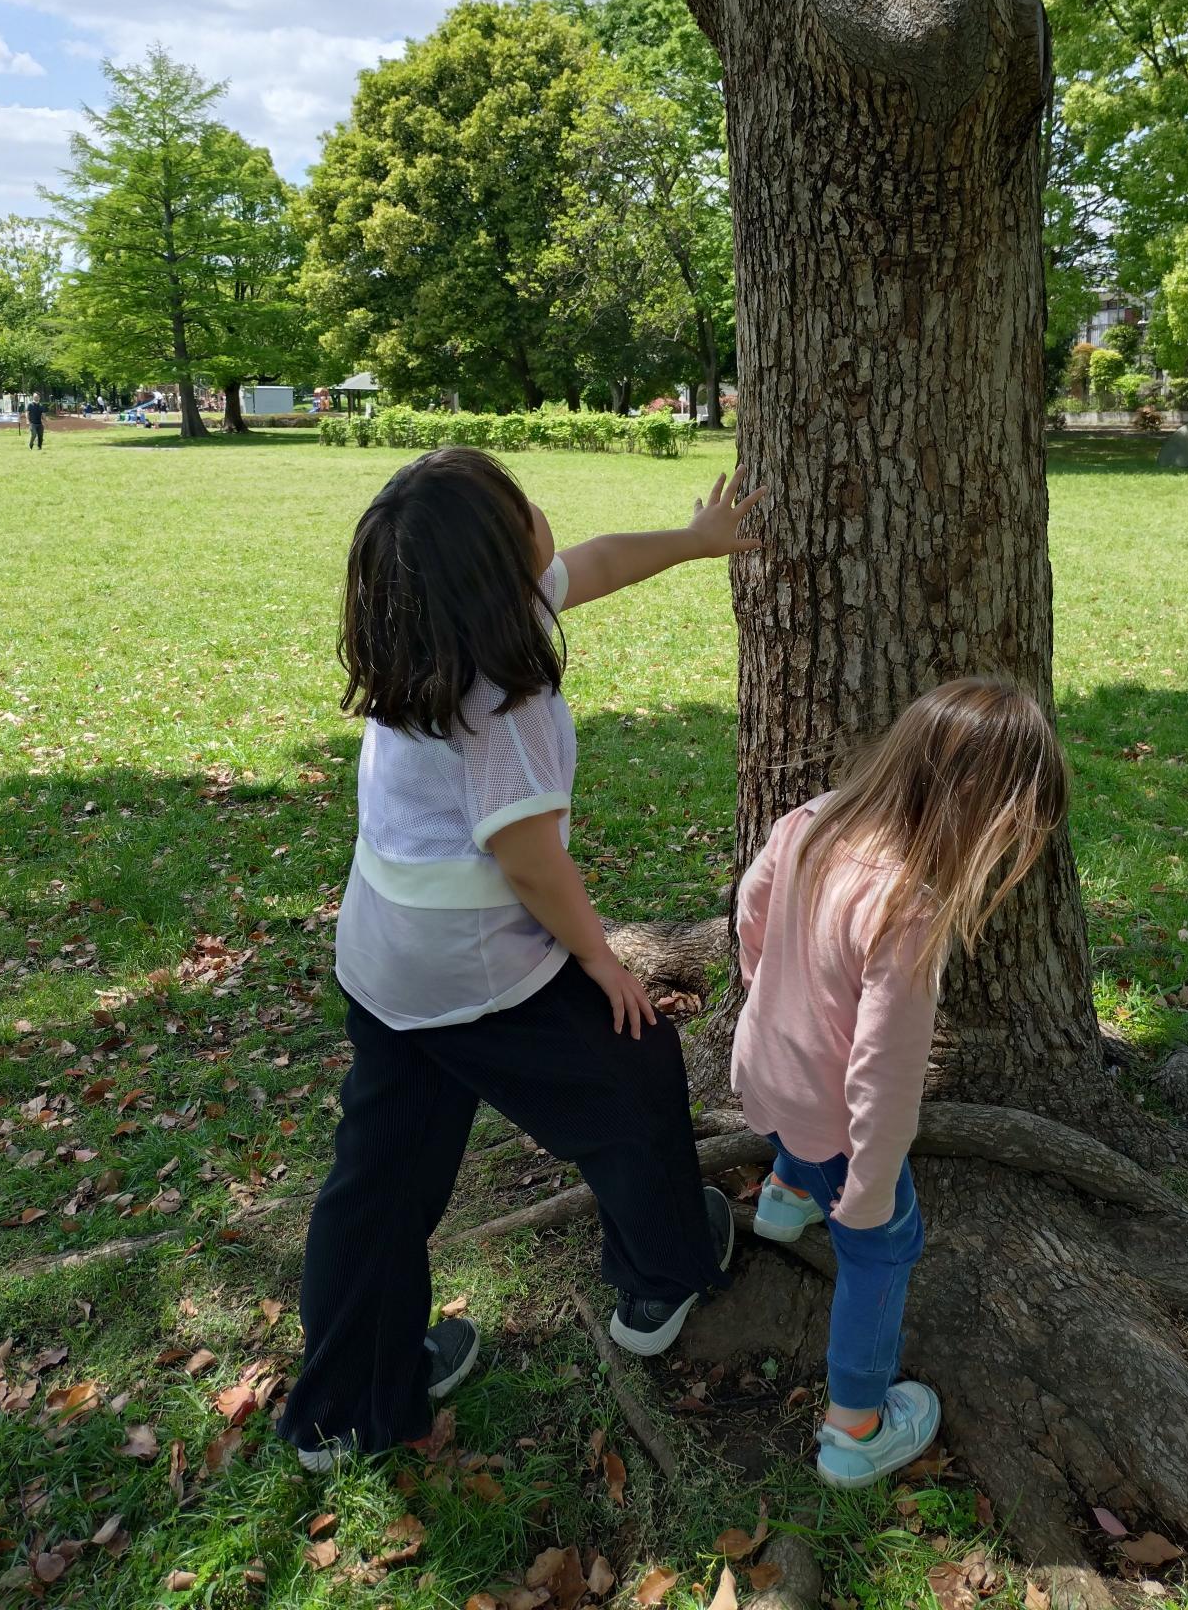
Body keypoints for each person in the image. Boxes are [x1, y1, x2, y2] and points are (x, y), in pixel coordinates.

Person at [278, 448, 768, 1472]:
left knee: (379, 1181)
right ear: (495, 571)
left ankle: (345, 1404)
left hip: (383, 958)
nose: (548, 517)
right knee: (632, 1070)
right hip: (475, 970)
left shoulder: (433, 630)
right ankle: (661, 1274)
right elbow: (533, 863)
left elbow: (590, 565)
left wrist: (693, 540)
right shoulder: (504, 698)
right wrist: (602, 962)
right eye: (527, 510)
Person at [731, 679, 1069, 1489]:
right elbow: (882, 1079)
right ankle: (855, 1431)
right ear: (986, 819)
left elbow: (748, 908)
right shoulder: (908, 912)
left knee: (797, 1138)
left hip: (762, 1069)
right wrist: (873, 1189)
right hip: (834, 1119)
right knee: (883, 1251)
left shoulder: (812, 821)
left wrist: (765, 996)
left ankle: (784, 1196)